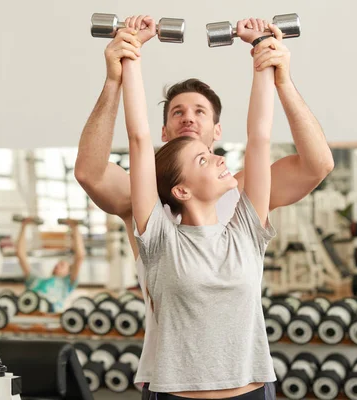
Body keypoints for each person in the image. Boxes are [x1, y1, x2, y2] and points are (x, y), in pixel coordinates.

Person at [74, 14, 334, 399]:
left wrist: (272, 65)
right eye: (177, 112)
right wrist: (121, 70)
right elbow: (116, 155)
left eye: (200, 112)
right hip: (173, 384)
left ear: (217, 133)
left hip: (248, 384)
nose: (189, 118)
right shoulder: (149, 210)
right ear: (165, 131)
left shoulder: (244, 201)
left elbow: (282, 148)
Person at [122, 15, 277, 399]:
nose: (220, 159)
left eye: (213, 154)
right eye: (203, 161)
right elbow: (140, 139)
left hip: (251, 392)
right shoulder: (159, 239)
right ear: (182, 191)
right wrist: (131, 56)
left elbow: (259, 139)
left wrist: (261, 56)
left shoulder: (246, 229)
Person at [15, 218, 85, 312]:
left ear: (69, 271)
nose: (57, 265)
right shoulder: (35, 279)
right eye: (57, 264)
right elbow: (20, 255)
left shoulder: (66, 283)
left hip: (48, 311)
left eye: (62, 265)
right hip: (27, 308)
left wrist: (75, 228)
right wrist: (24, 226)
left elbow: (79, 256)